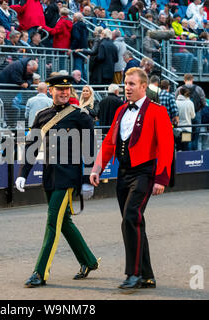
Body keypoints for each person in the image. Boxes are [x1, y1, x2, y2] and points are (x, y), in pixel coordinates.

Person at [90, 67, 174, 290]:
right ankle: (147, 276)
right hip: (123, 174)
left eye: (132, 84)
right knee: (134, 223)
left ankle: (133, 274)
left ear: (143, 86)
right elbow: (109, 143)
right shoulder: (120, 111)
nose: (127, 88)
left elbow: (166, 146)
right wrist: (97, 168)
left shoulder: (158, 111)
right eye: (126, 84)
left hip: (145, 173)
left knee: (130, 218)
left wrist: (161, 178)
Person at [15, 75, 101, 288]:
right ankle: (88, 261)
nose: (64, 93)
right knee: (64, 223)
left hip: (68, 178)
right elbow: (32, 146)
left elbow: (89, 148)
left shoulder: (80, 115)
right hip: (50, 176)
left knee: (53, 223)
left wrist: (87, 179)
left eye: (67, 89)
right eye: (59, 89)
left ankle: (40, 272)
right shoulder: (42, 115)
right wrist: (22, 174)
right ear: (50, 91)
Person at [175, 74, 207, 150]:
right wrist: (198, 110)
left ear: (184, 80)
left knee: (184, 139)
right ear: (192, 79)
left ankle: (184, 156)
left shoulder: (180, 89)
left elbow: (175, 100)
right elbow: (204, 103)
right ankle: (194, 157)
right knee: (195, 138)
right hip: (196, 115)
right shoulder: (199, 89)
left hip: (184, 117)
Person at [175, 86, 196, 151]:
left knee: (178, 148)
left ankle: (177, 161)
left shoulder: (175, 102)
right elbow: (193, 116)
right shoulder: (190, 103)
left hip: (177, 130)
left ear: (179, 93)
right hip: (187, 129)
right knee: (185, 148)